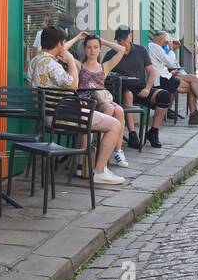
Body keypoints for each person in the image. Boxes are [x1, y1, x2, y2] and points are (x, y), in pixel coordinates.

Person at [28, 26, 126, 184]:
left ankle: (86, 164)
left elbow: (57, 55)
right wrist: (71, 63)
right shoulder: (52, 65)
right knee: (115, 125)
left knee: (105, 112)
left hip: (47, 114)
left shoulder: (35, 61)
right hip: (64, 116)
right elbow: (73, 85)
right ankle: (100, 170)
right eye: (63, 43)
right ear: (60, 44)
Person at [105, 26, 171, 149]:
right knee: (128, 94)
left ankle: (153, 131)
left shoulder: (141, 50)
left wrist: (147, 88)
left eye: (124, 39)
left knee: (164, 95)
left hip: (141, 88)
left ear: (130, 36)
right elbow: (104, 75)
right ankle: (132, 133)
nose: (121, 43)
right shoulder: (111, 54)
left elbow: (151, 72)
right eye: (119, 40)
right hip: (122, 89)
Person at [74, 32, 129, 168]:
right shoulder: (79, 65)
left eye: (96, 47)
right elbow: (63, 50)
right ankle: (97, 153)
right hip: (87, 102)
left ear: (99, 49)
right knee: (110, 108)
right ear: (84, 49)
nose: (92, 51)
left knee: (120, 110)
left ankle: (116, 151)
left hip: (102, 100)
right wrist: (77, 38)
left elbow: (122, 49)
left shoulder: (104, 67)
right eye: (89, 47)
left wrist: (103, 41)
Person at [147, 31, 198, 125]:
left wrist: (170, 40)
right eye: (166, 41)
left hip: (165, 75)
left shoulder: (155, 47)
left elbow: (178, 44)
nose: (167, 43)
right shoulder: (155, 47)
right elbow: (170, 62)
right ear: (160, 39)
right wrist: (171, 49)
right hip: (162, 79)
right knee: (192, 86)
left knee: (192, 79)